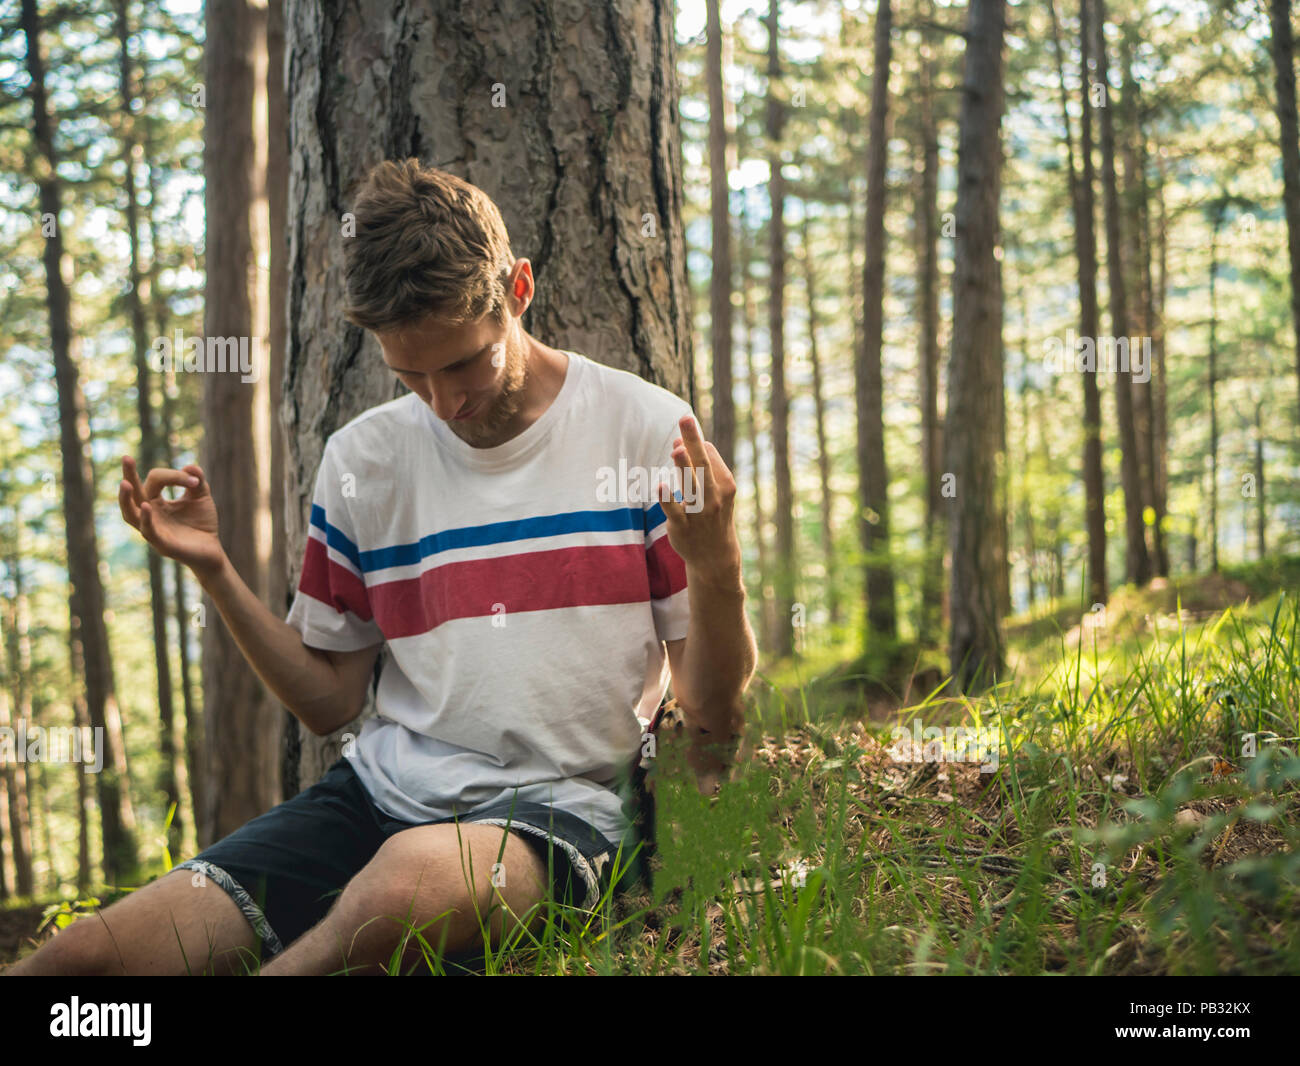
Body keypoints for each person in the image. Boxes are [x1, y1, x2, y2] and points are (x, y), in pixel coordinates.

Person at [6, 158, 756, 976]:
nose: (444, 403)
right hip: (378, 798)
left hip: (564, 813)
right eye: (411, 375)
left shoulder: (645, 432)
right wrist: (216, 569)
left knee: (400, 894)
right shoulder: (363, 458)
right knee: (87, 960)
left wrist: (717, 569)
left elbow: (712, 713)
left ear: (519, 291)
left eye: (464, 364)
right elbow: (330, 701)